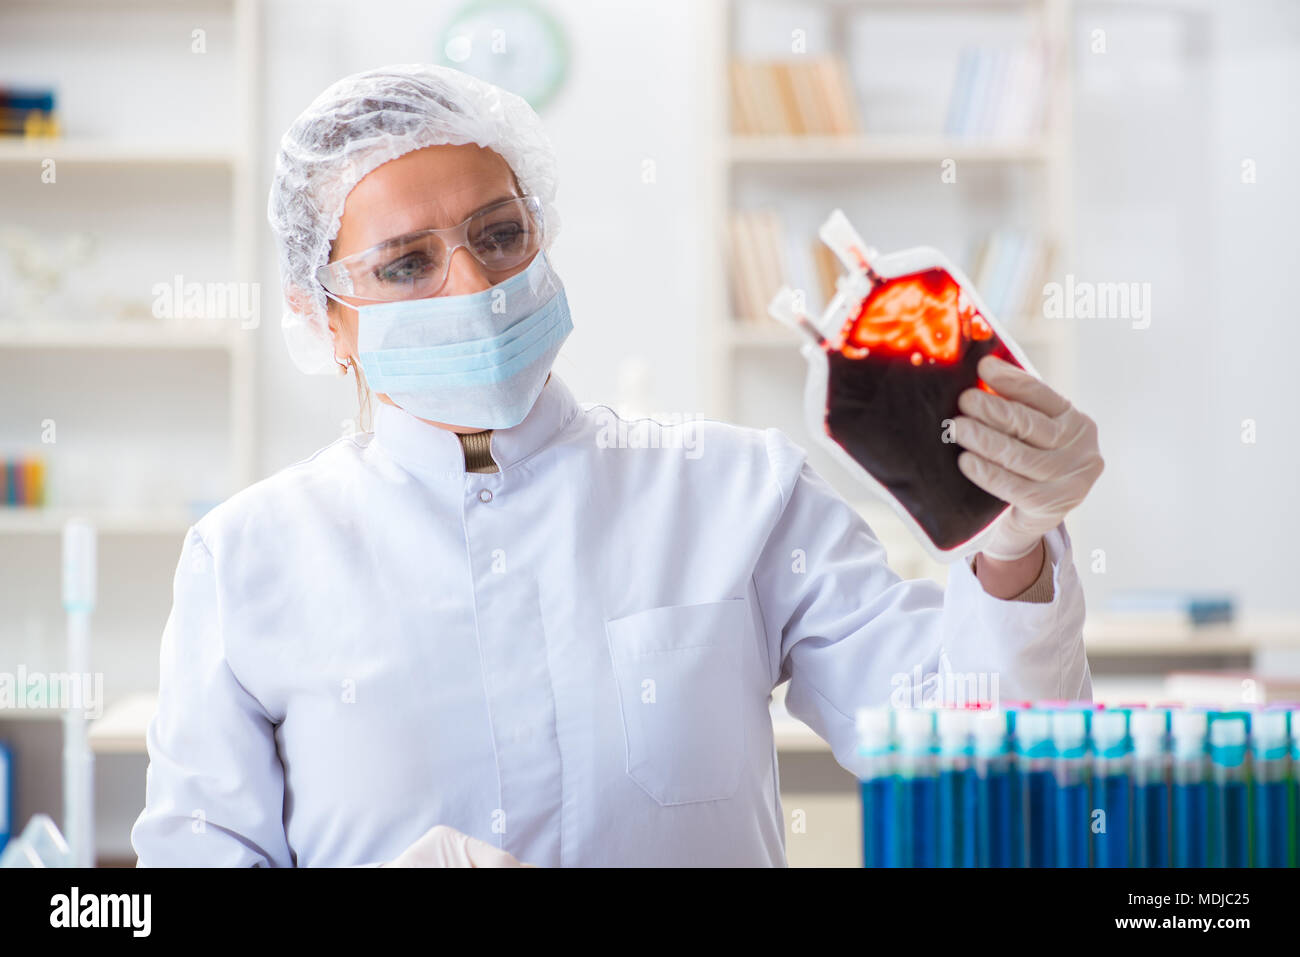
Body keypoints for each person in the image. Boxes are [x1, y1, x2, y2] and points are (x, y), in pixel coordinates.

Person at [131, 64, 1104, 867]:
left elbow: (975, 762)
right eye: (404, 263)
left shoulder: (733, 492)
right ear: (320, 315)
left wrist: (1007, 546)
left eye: (498, 235)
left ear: (540, 238)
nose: (473, 284)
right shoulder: (251, 557)